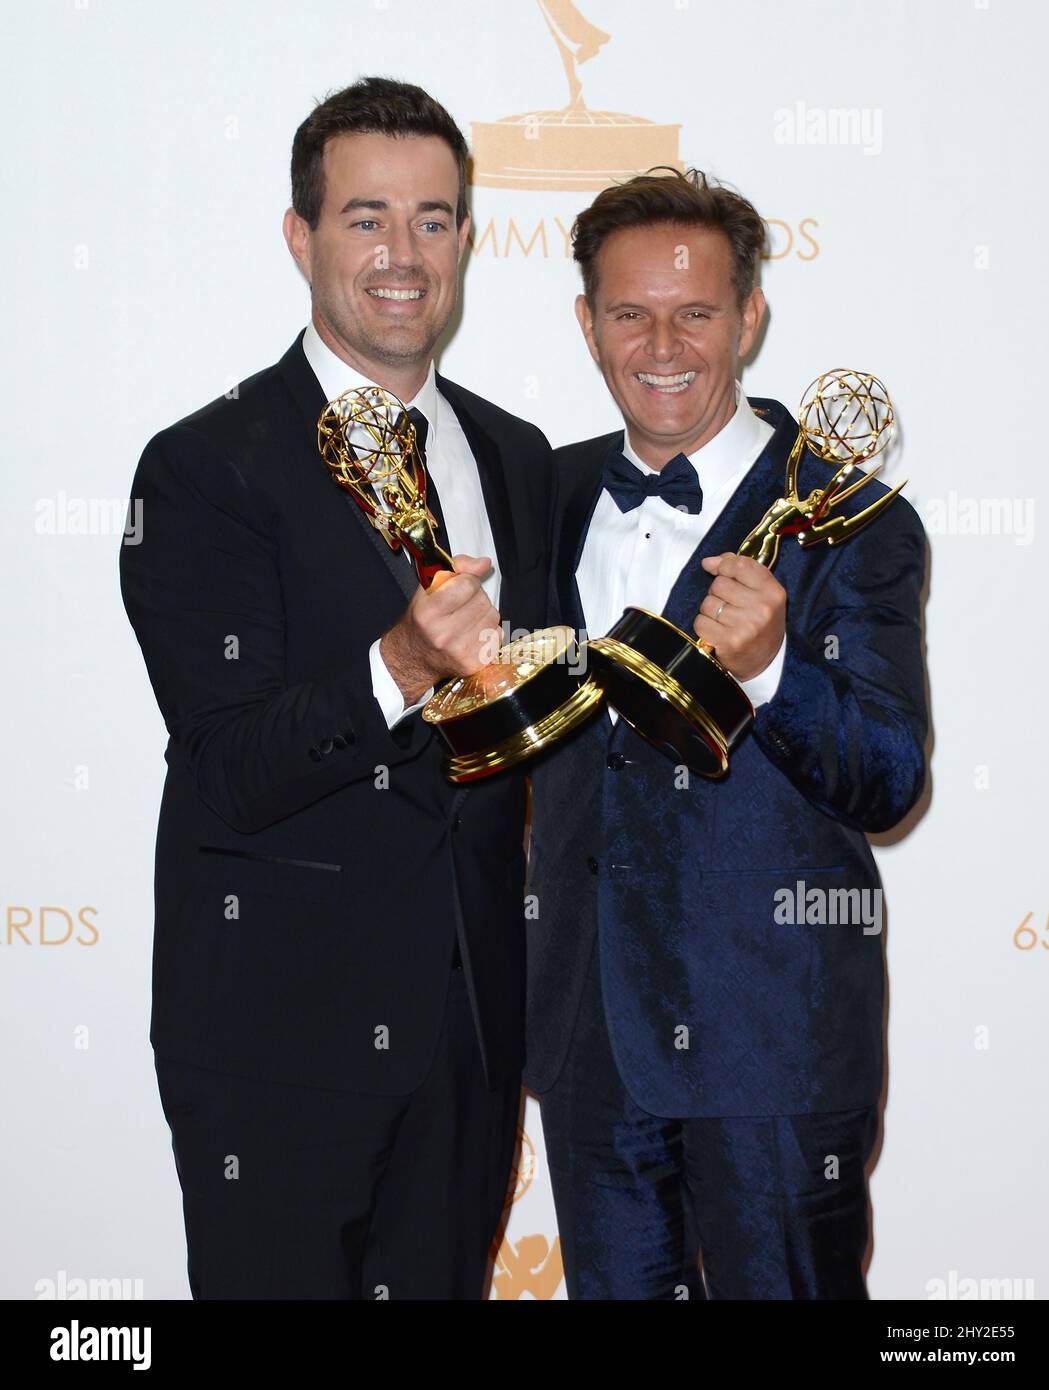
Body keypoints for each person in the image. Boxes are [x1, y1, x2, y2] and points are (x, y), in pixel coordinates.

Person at [119, 77, 553, 1300]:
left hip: (469, 1041)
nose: (403, 255)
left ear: (467, 237)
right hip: (275, 1045)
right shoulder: (206, 464)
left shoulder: (513, 454)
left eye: (432, 219)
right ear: (301, 237)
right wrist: (402, 665)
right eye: (366, 219)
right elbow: (227, 762)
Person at [525, 168, 928, 1299]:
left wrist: (779, 671)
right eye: (629, 312)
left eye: (696, 311)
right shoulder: (543, 494)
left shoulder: (855, 519)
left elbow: (890, 777)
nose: (663, 342)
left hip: (772, 1049)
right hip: (589, 1039)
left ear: (750, 317)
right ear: (586, 322)